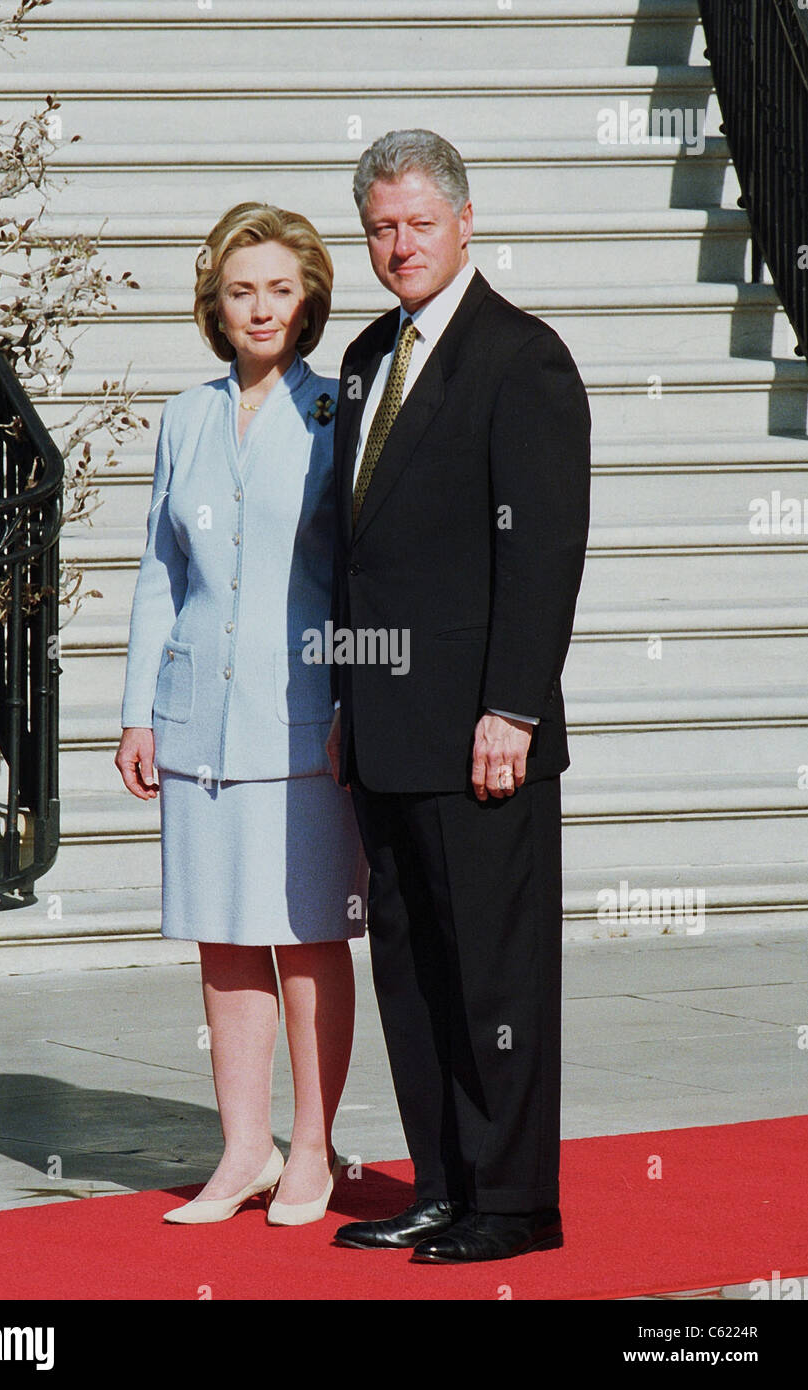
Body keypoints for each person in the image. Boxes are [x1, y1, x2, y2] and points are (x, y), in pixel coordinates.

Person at [326, 130, 591, 1263]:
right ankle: (440, 1182)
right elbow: (358, 552)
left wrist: (514, 709)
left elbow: (541, 554)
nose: (399, 246)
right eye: (381, 226)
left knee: (493, 970)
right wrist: (345, 695)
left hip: (482, 730)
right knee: (412, 968)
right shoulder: (363, 356)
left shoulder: (518, 357)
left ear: (465, 221)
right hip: (385, 726)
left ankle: (515, 1201)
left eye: (418, 223)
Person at [115, 202, 367, 1228]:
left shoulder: (337, 412)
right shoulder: (183, 415)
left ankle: (311, 1148)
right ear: (212, 307)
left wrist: (355, 693)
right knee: (222, 938)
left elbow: (361, 574)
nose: (258, 308)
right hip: (194, 721)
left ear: (306, 297)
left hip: (302, 716)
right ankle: (241, 1150)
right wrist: (137, 709)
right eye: (238, 291)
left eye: (277, 288)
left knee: (306, 936)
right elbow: (158, 572)